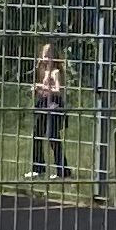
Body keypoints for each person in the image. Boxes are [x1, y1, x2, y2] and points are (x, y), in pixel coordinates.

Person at [30, 43, 71, 180]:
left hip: (54, 104)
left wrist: (44, 87)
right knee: (36, 133)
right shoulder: (42, 72)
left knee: (53, 136)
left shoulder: (56, 72)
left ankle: (63, 170)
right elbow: (43, 90)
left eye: (49, 56)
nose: (46, 58)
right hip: (43, 103)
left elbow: (59, 90)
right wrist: (37, 89)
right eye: (44, 55)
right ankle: (38, 168)